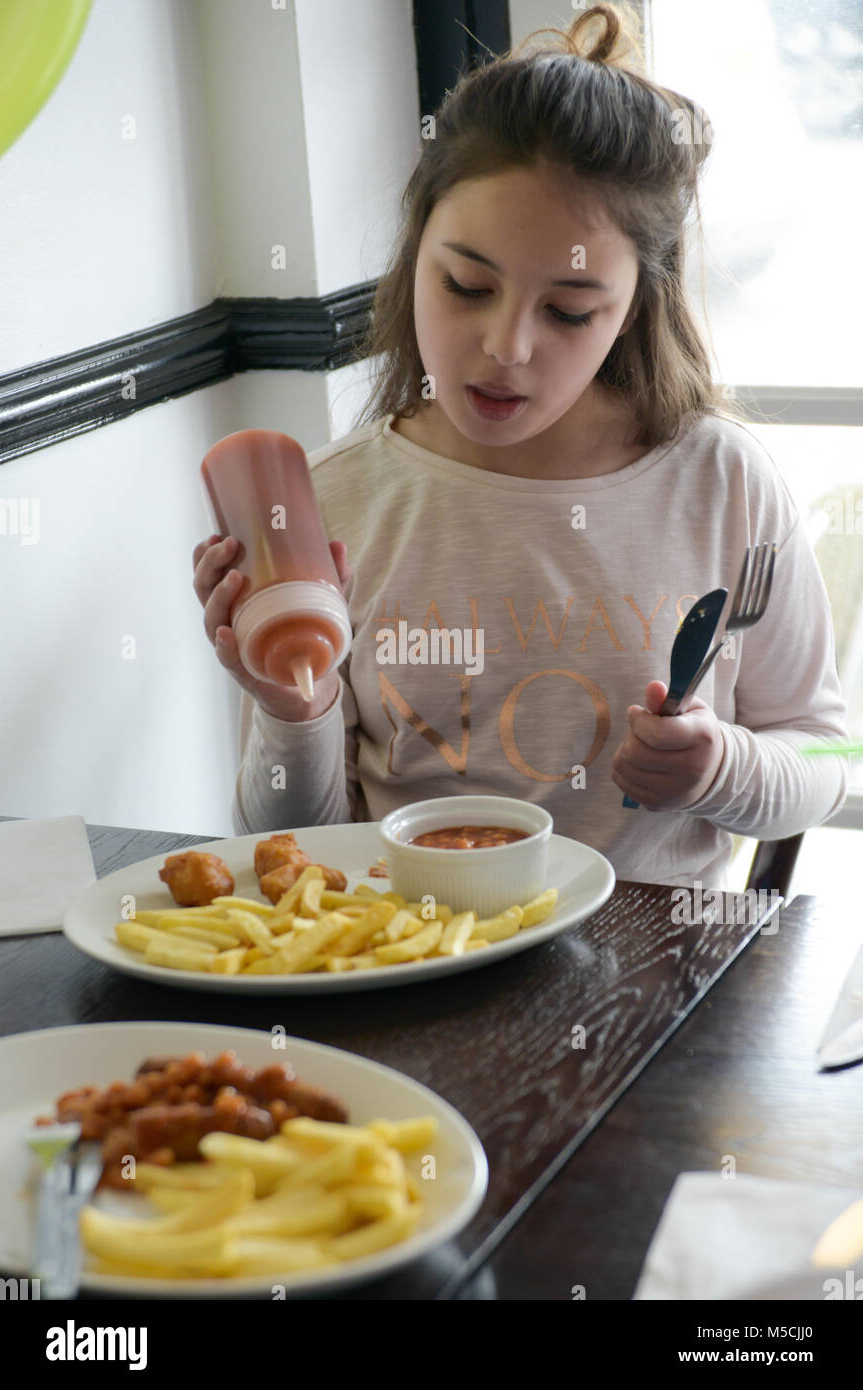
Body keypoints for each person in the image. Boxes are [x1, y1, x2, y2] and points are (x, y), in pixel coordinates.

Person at [192, 3, 848, 889]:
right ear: (413, 249)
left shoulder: (720, 482)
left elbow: (823, 757)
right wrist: (294, 711)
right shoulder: (329, 503)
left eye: (570, 311)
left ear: (630, 312)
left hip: (651, 985)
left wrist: (721, 769)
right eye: (466, 285)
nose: (507, 346)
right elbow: (292, 843)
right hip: (408, 966)